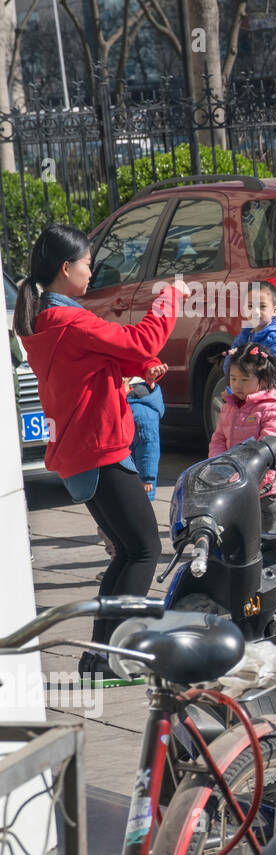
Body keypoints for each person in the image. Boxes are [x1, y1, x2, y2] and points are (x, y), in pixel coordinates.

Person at [15, 224, 191, 677]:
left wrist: (132, 373)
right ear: (66, 267)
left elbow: (98, 362)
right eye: (88, 264)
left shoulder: (48, 319)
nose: (91, 272)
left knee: (129, 552)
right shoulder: (68, 319)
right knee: (145, 550)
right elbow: (141, 341)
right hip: (100, 449)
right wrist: (168, 300)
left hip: (81, 449)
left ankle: (98, 657)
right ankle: (112, 657)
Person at [210, 343, 276, 533]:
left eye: (244, 379)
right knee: (243, 538)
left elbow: (270, 445)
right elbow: (218, 438)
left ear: (264, 380)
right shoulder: (230, 406)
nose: (237, 385)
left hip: (266, 488)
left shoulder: (273, 407)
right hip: (237, 485)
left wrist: (245, 468)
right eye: (233, 379)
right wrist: (219, 463)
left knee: (272, 537)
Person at [223, 281, 276, 376]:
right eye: (250, 306)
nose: (255, 311)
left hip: (269, 389)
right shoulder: (245, 335)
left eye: (262, 306)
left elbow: (275, 373)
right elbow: (230, 368)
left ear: (274, 311)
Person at [126, 362, 167, 500]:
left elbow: (149, 446)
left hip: (138, 481)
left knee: (135, 510)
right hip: (128, 475)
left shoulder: (141, 413)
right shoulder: (136, 407)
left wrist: (146, 477)